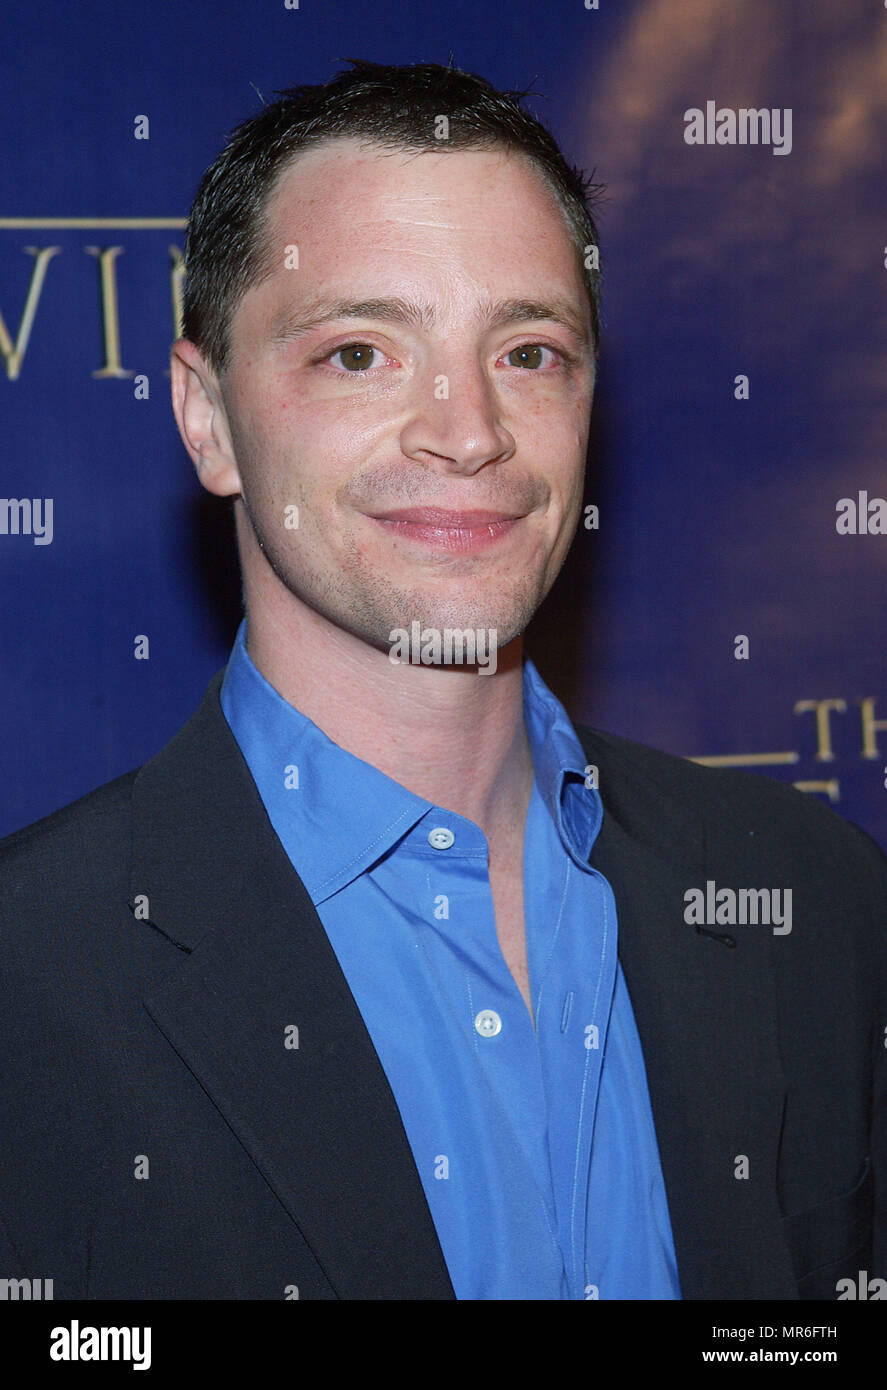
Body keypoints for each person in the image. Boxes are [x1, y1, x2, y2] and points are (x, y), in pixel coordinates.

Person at [1, 59, 884, 1302]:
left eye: (528, 351)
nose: (467, 429)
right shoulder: (28, 982)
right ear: (206, 418)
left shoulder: (812, 895)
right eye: (359, 353)